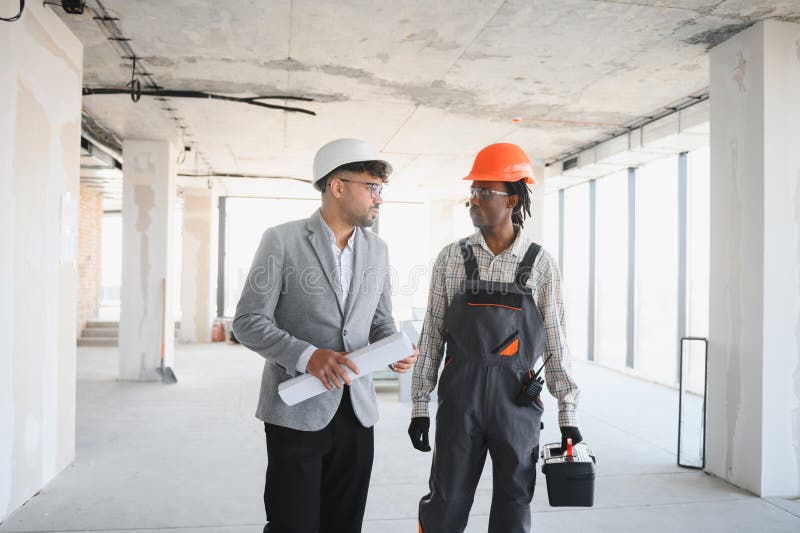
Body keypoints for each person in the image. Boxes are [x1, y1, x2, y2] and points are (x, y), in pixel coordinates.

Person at [233, 138, 418, 533]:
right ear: (337, 186)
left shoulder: (378, 251)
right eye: (372, 187)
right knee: (293, 524)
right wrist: (306, 356)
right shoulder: (281, 240)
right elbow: (248, 320)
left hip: (357, 413)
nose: (379, 199)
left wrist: (394, 349)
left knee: (345, 524)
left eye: (381, 189)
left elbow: (380, 321)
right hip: (297, 411)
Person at [408, 143, 583, 533]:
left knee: (513, 502)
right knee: (446, 501)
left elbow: (556, 340)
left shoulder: (539, 264)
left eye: (484, 192)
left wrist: (567, 412)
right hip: (460, 400)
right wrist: (420, 404)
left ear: (513, 199)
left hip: (516, 401)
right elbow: (432, 334)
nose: (474, 200)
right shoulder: (451, 258)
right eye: (472, 191)